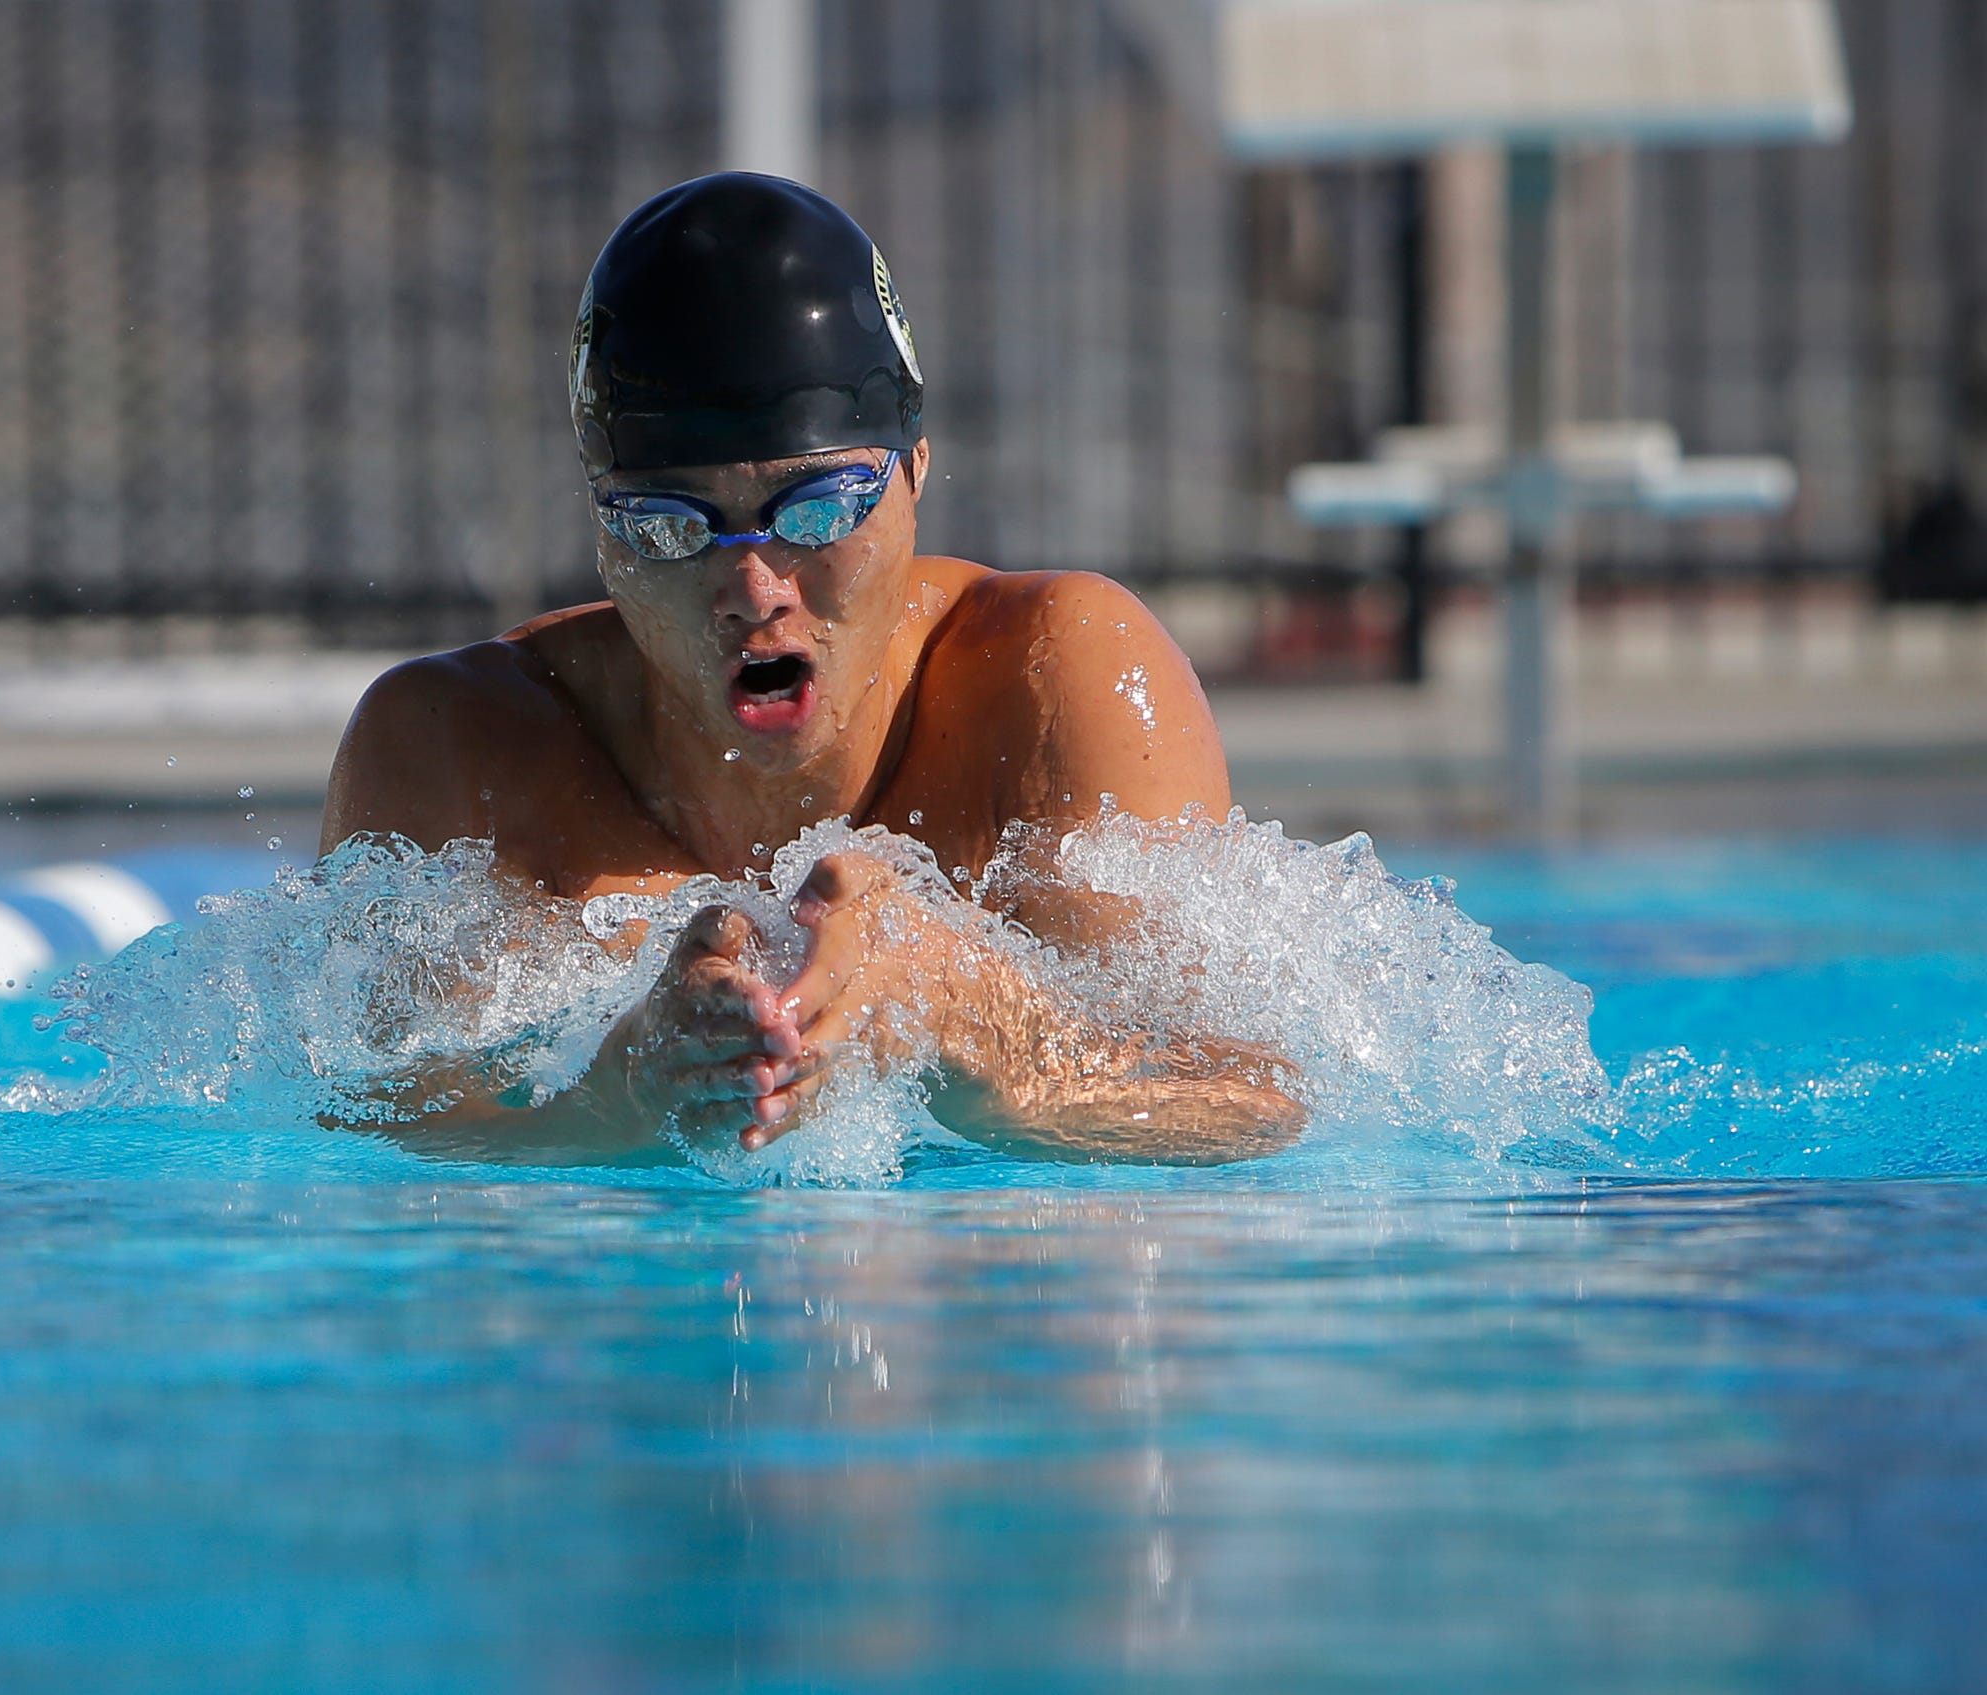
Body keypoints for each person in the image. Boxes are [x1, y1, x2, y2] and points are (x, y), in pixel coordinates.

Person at [321, 174, 1301, 1163]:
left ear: (915, 471)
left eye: (819, 508)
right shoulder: (458, 754)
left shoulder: (1056, 678)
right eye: (670, 526)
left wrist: (965, 1015)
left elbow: (1245, 1105)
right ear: (606, 534)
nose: (753, 587)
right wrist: (611, 1109)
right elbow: (353, 1152)